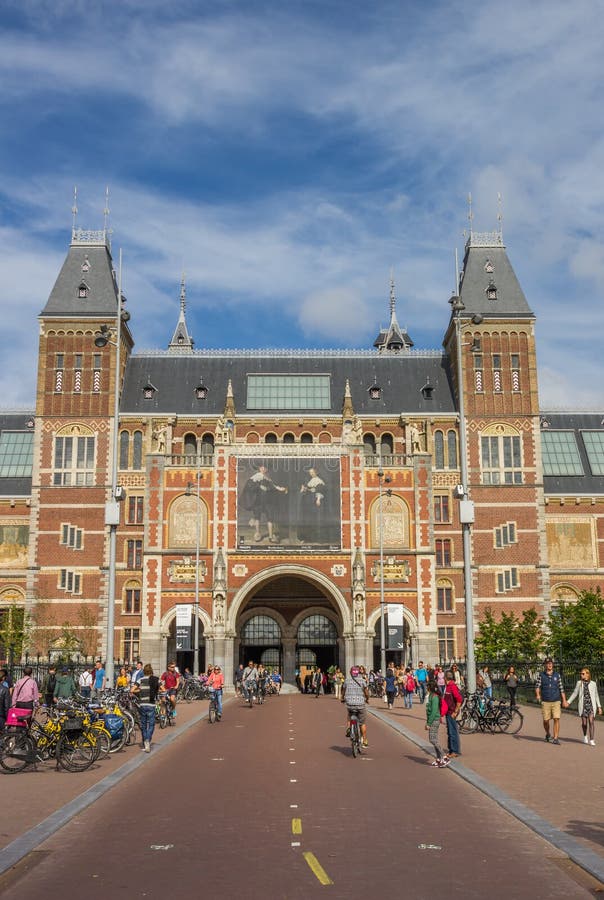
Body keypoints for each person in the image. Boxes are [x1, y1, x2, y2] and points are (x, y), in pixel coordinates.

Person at [240, 463, 288, 544]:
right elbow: (249, 486)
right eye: (261, 467)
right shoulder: (256, 476)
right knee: (257, 517)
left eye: (265, 468)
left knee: (270, 518)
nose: (263, 469)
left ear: (266, 469)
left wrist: (281, 489)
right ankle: (257, 533)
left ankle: (270, 536)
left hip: (268, 501)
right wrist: (259, 486)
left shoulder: (268, 478)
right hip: (258, 500)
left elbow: (274, 487)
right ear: (259, 468)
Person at [565, 667, 602, 746]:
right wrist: (568, 702)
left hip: (591, 706)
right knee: (584, 724)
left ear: (587, 674)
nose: (581, 675)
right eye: (581, 674)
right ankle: (585, 736)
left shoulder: (593, 684)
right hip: (583, 706)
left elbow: (596, 696)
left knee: (591, 722)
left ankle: (592, 739)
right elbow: (575, 693)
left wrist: (599, 706)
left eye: (583, 673)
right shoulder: (579, 683)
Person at [535, 657, 567, 745]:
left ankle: (556, 738)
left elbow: (561, 688)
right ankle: (548, 734)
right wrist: (538, 695)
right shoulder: (541, 675)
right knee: (546, 720)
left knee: (556, 718)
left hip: (556, 700)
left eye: (551, 663)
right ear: (545, 665)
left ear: (552, 664)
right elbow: (537, 687)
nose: (549, 665)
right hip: (545, 701)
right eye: (547, 663)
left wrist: (564, 700)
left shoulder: (557, 675)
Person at [132, 663, 159, 752]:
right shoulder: (155, 680)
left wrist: (139, 690)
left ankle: (145, 741)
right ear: (151, 671)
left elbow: (132, 690)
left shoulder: (140, 680)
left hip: (142, 704)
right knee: (151, 724)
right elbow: (163, 689)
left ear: (144, 671)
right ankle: (147, 740)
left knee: (143, 724)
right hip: (151, 704)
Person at [341, 665, 369, 748]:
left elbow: (343, 691)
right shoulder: (362, 681)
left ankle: (349, 728)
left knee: (349, 715)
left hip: (350, 704)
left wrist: (342, 698)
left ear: (351, 673)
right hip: (360, 705)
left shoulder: (347, 681)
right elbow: (366, 692)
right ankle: (364, 740)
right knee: (362, 723)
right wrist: (367, 699)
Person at [298, 467, 326, 543]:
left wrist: (318, 499)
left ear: (316, 472)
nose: (311, 474)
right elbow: (310, 490)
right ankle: (306, 538)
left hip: (314, 501)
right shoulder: (310, 480)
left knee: (315, 519)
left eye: (313, 472)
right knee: (307, 519)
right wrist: (304, 489)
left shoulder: (319, 480)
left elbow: (319, 490)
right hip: (308, 501)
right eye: (310, 472)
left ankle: (316, 538)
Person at [425, 681, 449, 767]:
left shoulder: (434, 697)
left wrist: (428, 723)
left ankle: (445, 757)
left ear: (430, 688)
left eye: (427, 687)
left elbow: (434, 711)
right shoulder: (431, 696)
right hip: (433, 720)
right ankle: (439, 759)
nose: (426, 688)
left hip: (435, 720)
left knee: (432, 739)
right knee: (434, 739)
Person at [443, 669, 463, 757]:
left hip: (451, 712)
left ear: (446, 677)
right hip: (448, 711)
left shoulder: (452, 686)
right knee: (450, 731)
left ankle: (455, 751)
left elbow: (459, 699)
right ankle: (451, 750)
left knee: (452, 731)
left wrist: (455, 711)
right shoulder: (447, 686)